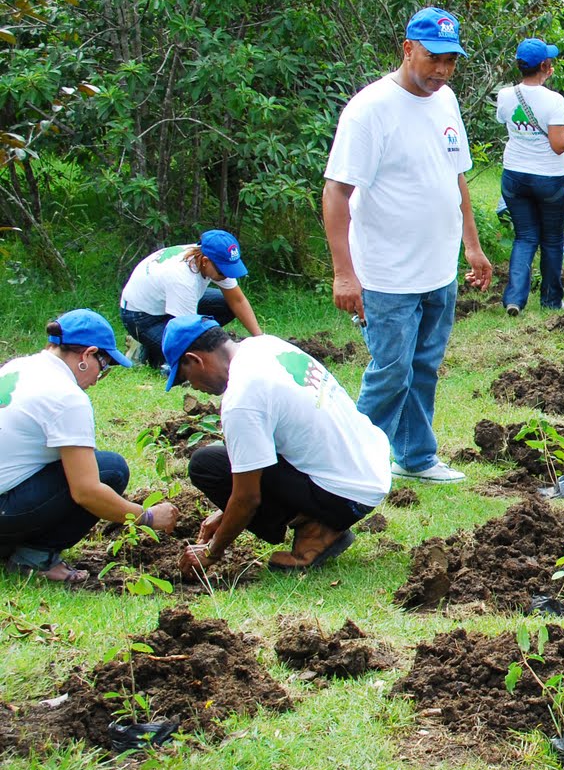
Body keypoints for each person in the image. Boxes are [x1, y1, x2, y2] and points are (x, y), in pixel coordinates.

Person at [322, 6, 493, 485]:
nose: (441, 70)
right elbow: (337, 191)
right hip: (386, 275)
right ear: (408, 49)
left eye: (450, 61)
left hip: (437, 270)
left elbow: (455, 176)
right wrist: (343, 272)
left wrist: (472, 247)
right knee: (390, 372)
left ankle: (415, 457)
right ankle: (349, 464)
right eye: (433, 58)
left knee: (423, 367)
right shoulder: (369, 109)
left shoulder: (446, 101)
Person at [163, 315, 392, 573]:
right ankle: (319, 520)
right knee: (228, 459)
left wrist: (211, 551)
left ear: (195, 360)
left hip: (348, 493)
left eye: (186, 378)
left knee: (206, 466)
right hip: (371, 467)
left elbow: (247, 497)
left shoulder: (242, 398)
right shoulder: (265, 346)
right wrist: (224, 514)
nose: (192, 387)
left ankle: (317, 531)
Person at [0, 310, 178, 583]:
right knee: (110, 469)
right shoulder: (66, 396)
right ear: (87, 355)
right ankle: (35, 559)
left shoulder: (17, 367)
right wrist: (148, 517)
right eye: (104, 367)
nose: (98, 380)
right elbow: (86, 492)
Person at [495, 37, 564, 315]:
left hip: (514, 176)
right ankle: (551, 299)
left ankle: (514, 299)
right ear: (545, 65)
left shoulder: (506, 95)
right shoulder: (554, 101)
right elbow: (559, 145)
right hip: (550, 178)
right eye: (550, 61)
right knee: (552, 240)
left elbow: (504, 121)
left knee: (525, 237)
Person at [119, 230, 262, 368]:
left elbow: (237, 301)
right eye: (223, 271)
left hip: (166, 301)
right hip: (140, 316)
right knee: (191, 354)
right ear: (206, 261)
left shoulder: (209, 258)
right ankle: (143, 348)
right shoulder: (183, 279)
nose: (227, 275)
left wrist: (261, 340)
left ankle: (156, 346)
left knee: (226, 305)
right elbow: (188, 332)